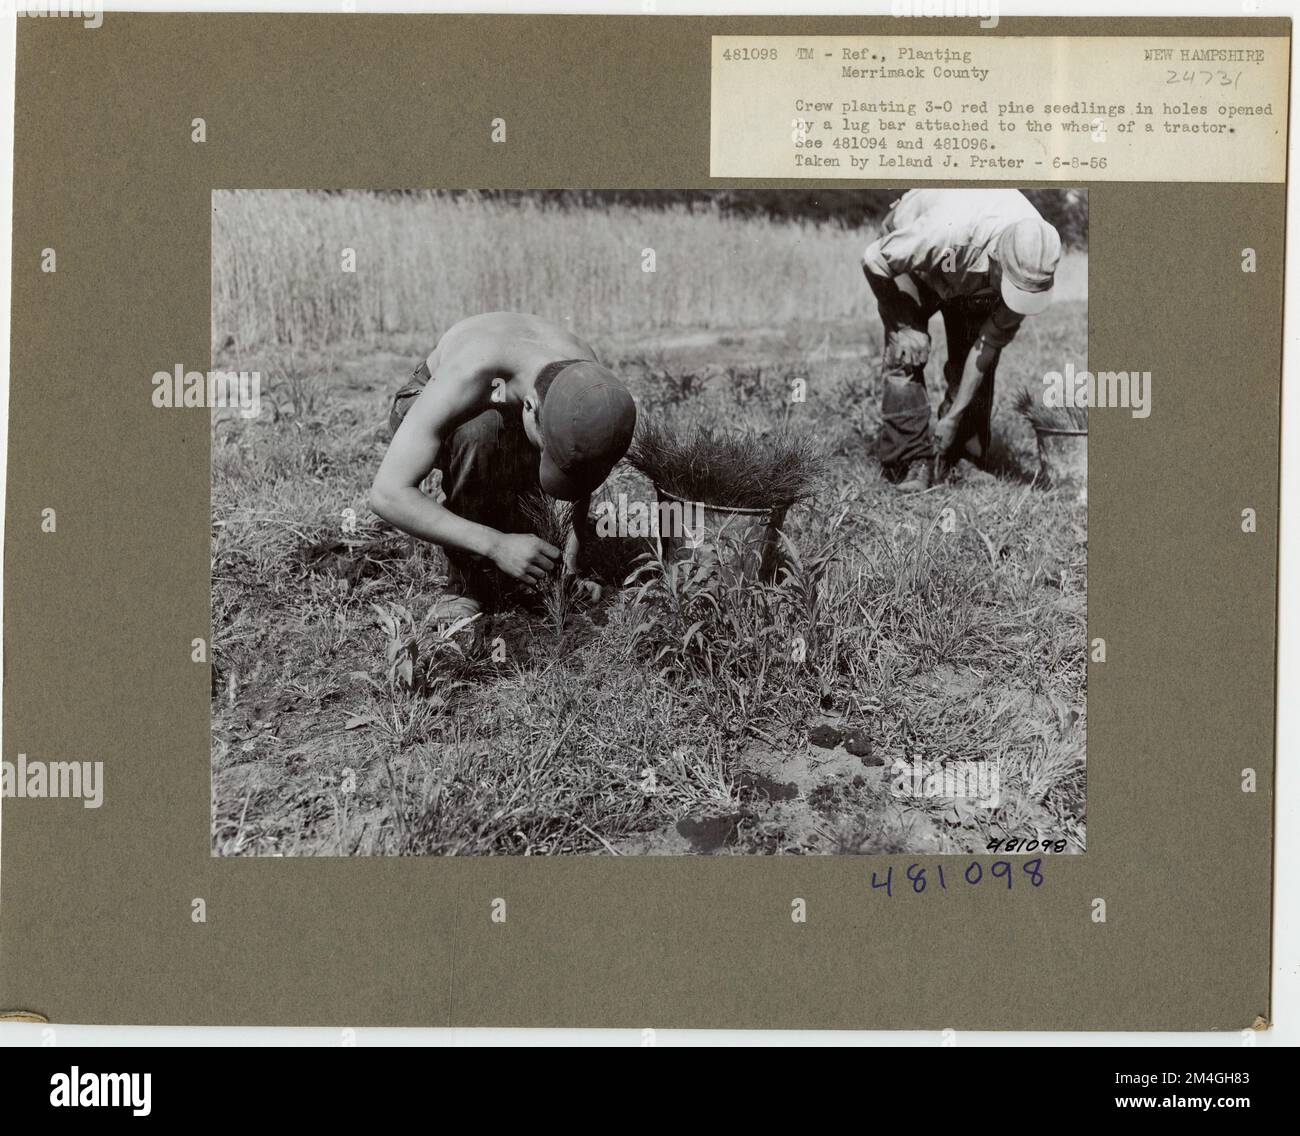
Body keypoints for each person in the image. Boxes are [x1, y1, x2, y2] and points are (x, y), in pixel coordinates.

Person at [369, 311, 637, 621]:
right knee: (480, 433)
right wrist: (496, 545)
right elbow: (387, 494)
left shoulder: (587, 383)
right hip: (426, 397)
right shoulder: (472, 370)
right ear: (530, 406)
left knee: (500, 437)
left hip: (511, 400)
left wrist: (570, 567)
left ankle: (502, 511)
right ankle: (464, 584)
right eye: (547, 450)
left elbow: (580, 465)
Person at [861, 189, 1062, 492]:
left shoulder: (1036, 262)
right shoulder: (942, 231)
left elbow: (986, 347)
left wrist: (954, 417)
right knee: (908, 352)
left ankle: (963, 457)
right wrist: (903, 326)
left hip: (970, 274)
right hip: (916, 263)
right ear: (996, 260)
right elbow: (873, 259)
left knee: (977, 359)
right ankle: (909, 462)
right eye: (1011, 287)